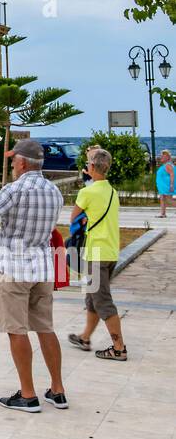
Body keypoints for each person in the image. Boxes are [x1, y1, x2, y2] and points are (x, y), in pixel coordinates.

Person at [0, 138, 67, 412]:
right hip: (43, 266)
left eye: (13, 160)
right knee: (45, 328)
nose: (12, 164)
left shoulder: (13, 190)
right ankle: (57, 390)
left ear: (23, 163)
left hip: (14, 268)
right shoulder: (54, 191)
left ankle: (28, 395)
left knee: (17, 330)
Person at [68, 147, 126, 360]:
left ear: (91, 167)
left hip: (96, 253)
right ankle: (85, 337)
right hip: (110, 251)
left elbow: (73, 218)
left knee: (102, 301)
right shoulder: (111, 191)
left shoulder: (87, 192)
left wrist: (83, 219)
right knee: (93, 298)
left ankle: (119, 348)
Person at [155, 149, 175, 218]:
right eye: (161, 156)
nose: (161, 157)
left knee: (169, 200)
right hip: (164, 185)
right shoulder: (166, 165)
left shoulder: (168, 165)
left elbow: (172, 174)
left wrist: (171, 185)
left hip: (167, 185)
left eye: (163, 156)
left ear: (167, 157)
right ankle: (163, 214)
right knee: (162, 198)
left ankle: (163, 214)